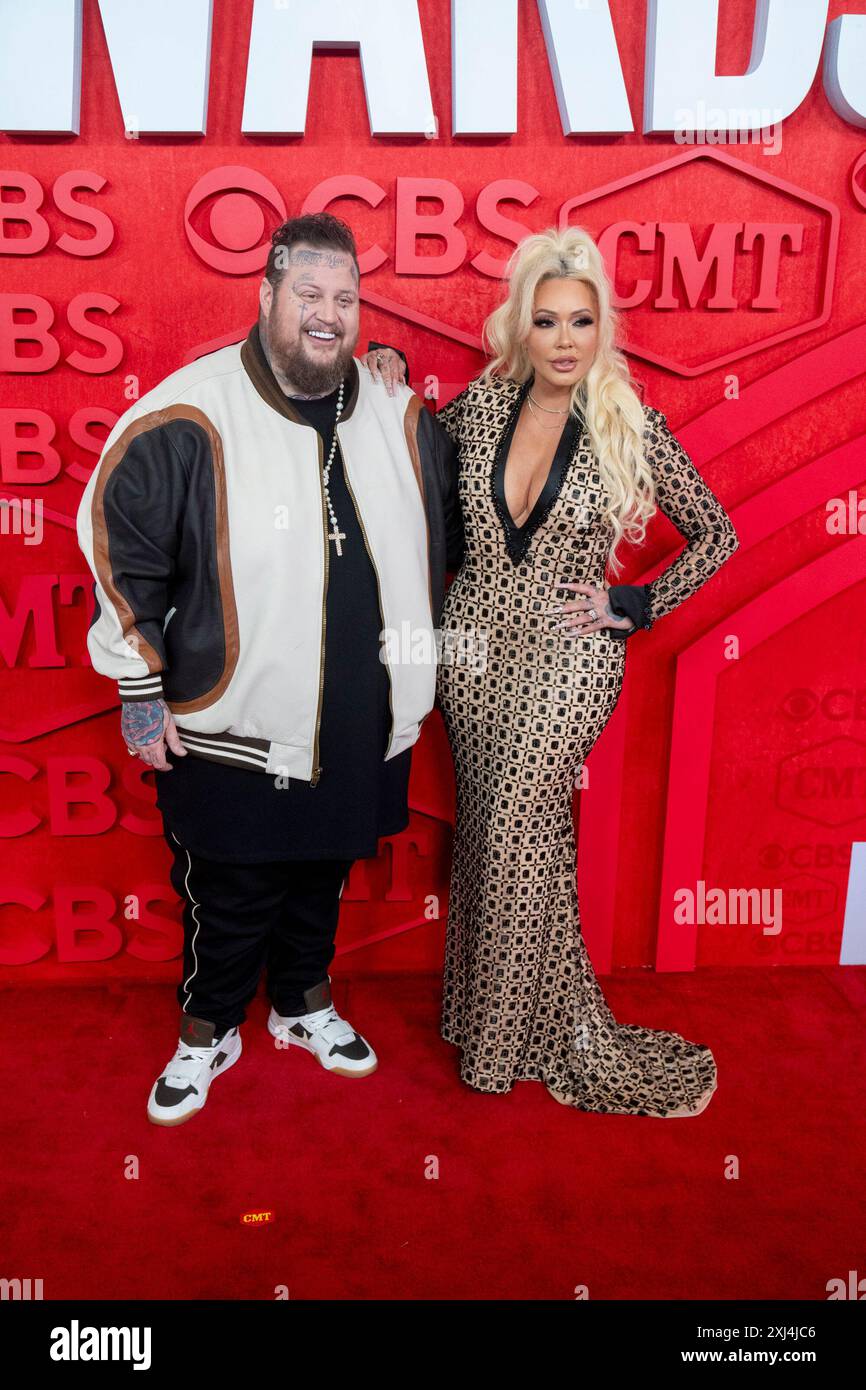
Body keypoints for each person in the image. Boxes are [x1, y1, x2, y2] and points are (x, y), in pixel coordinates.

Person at [76, 212, 463, 1126]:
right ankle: (207, 1031)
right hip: (235, 717)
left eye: (346, 298)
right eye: (309, 295)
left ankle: (302, 1005)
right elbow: (118, 549)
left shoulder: (396, 413)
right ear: (267, 297)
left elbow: (461, 514)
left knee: (322, 872)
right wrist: (139, 689)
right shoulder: (186, 412)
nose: (328, 315)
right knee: (231, 886)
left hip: (364, 711)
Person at [363, 224, 739, 1118]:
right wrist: (384, 366)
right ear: (519, 329)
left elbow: (717, 535)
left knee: (517, 830)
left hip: (570, 657)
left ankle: (498, 1049)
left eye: (581, 321)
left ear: (601, 326)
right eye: (546, 321)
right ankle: (504, 1016)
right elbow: (406, 467)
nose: (566, 340)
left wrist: (632, 605)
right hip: (473, 647)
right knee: (500, 833)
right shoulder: (482, 411)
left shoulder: (626, 422)